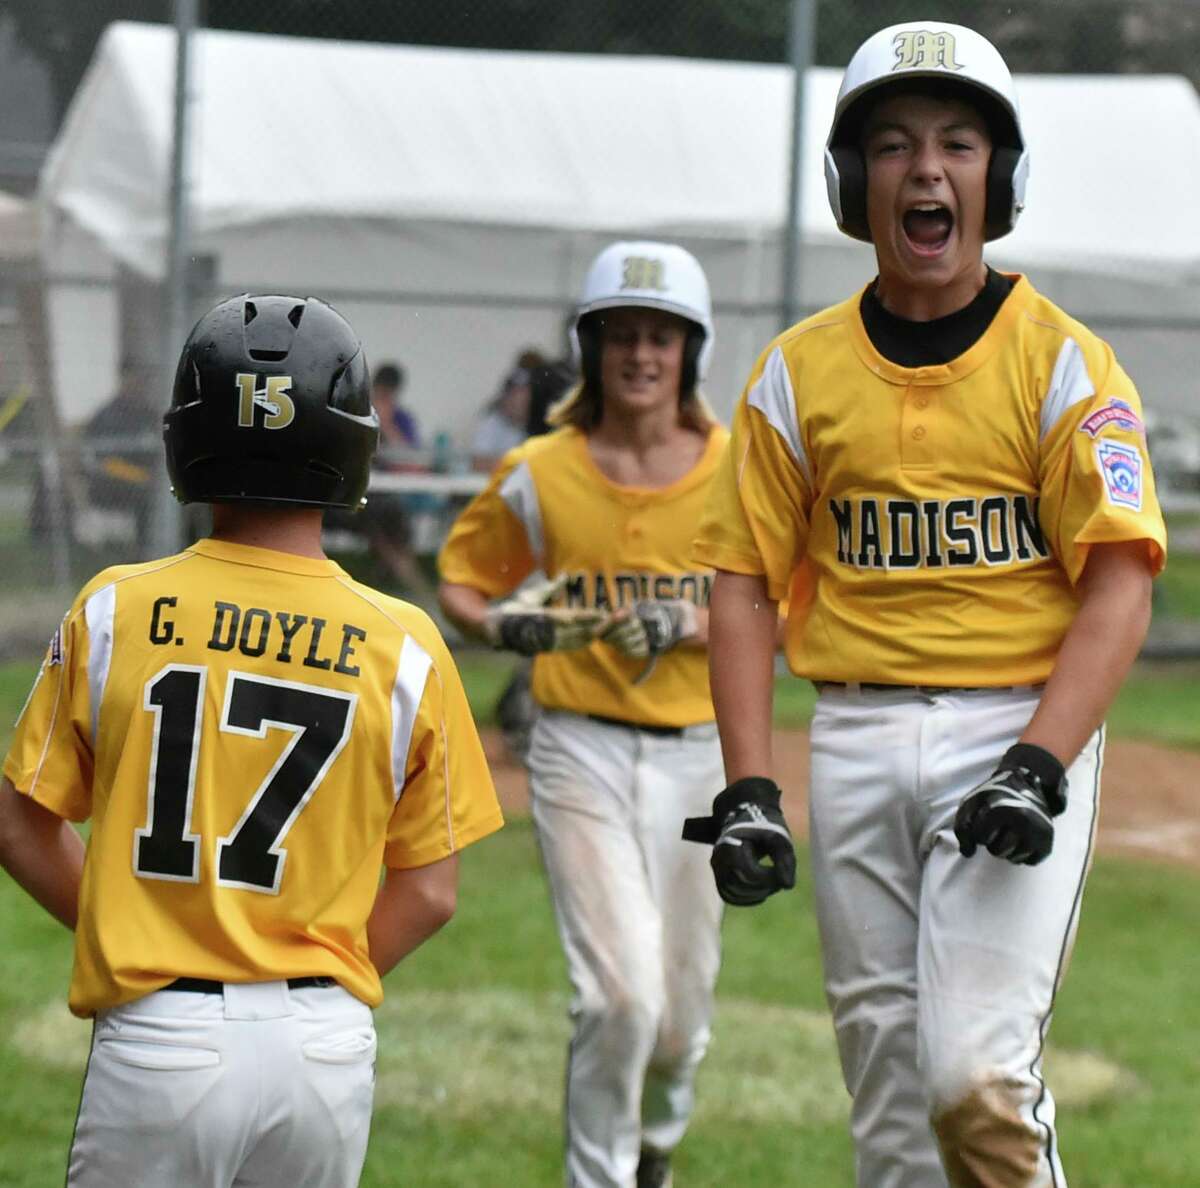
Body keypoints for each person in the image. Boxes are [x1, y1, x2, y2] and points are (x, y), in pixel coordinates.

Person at [689, 21, 1167, 1187]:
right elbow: (743, 581)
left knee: (977, 1081)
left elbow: (1118, 580)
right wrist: (751, 783)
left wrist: (1041, 760)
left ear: (999, 181)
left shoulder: (1063, 363)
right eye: (894, 146)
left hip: (1011, 731)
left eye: (959, 143)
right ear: (856, 184)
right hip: (854, 735)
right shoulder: (798, 371)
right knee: (895, 1113)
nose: (927, 169)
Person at [0, 293, 504, 1187]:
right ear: (350, 444)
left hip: (161, 1034)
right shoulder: (405, 643)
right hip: (323, 1047)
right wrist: (313, 976)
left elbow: (18, 825)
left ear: (187, 439)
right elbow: (429, 894)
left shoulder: (114, 607)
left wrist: (124, 927)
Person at [438, 241, 730, 1188]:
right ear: (592, 349)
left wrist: (696, 621)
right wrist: (511, 627)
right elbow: (462, 581)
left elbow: (799, 603)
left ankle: (658, 1148)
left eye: (662, 336)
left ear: (693, 351)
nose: (641, 355)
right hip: (579, 751)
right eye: (621, 336)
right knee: (617, 998)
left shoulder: (740, 469)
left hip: (699, 759)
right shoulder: (542, 468)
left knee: (680, 1018)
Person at [469, 352, 538, 471]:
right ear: (505, 397)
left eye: (524, 398)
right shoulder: (492, 422)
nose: (517, 403)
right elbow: (478, 463)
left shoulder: (541, 422)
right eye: (513, 394)